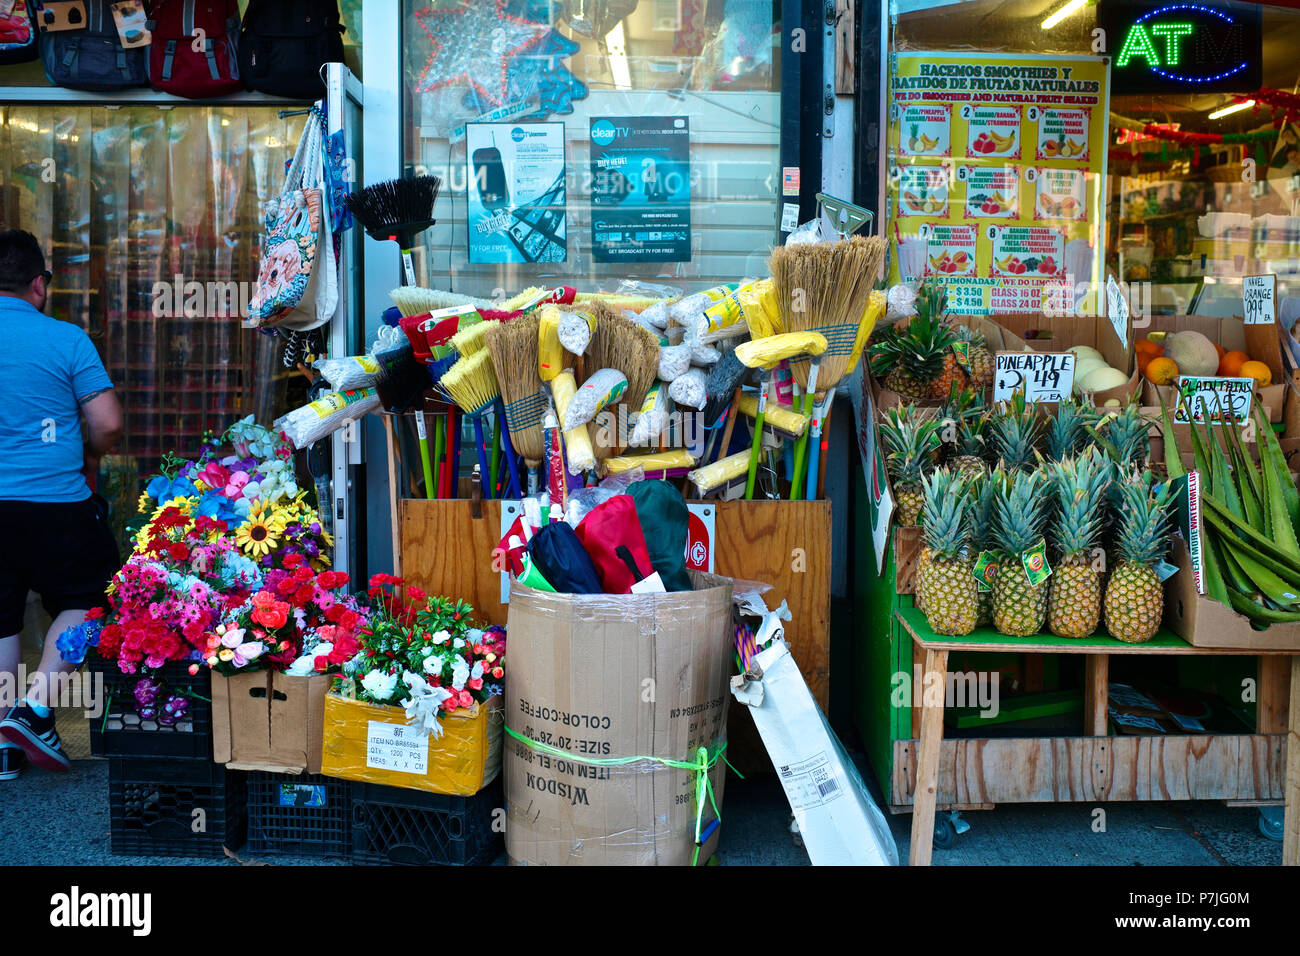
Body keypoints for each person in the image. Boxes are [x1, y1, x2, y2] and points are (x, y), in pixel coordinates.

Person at [0, 229, 123, 778]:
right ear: (39, 284)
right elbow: (108, 424)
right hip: (57, 503)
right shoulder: (67, 340)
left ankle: (3, 747)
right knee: (92, 598)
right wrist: (92, 455)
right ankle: (36, 707)